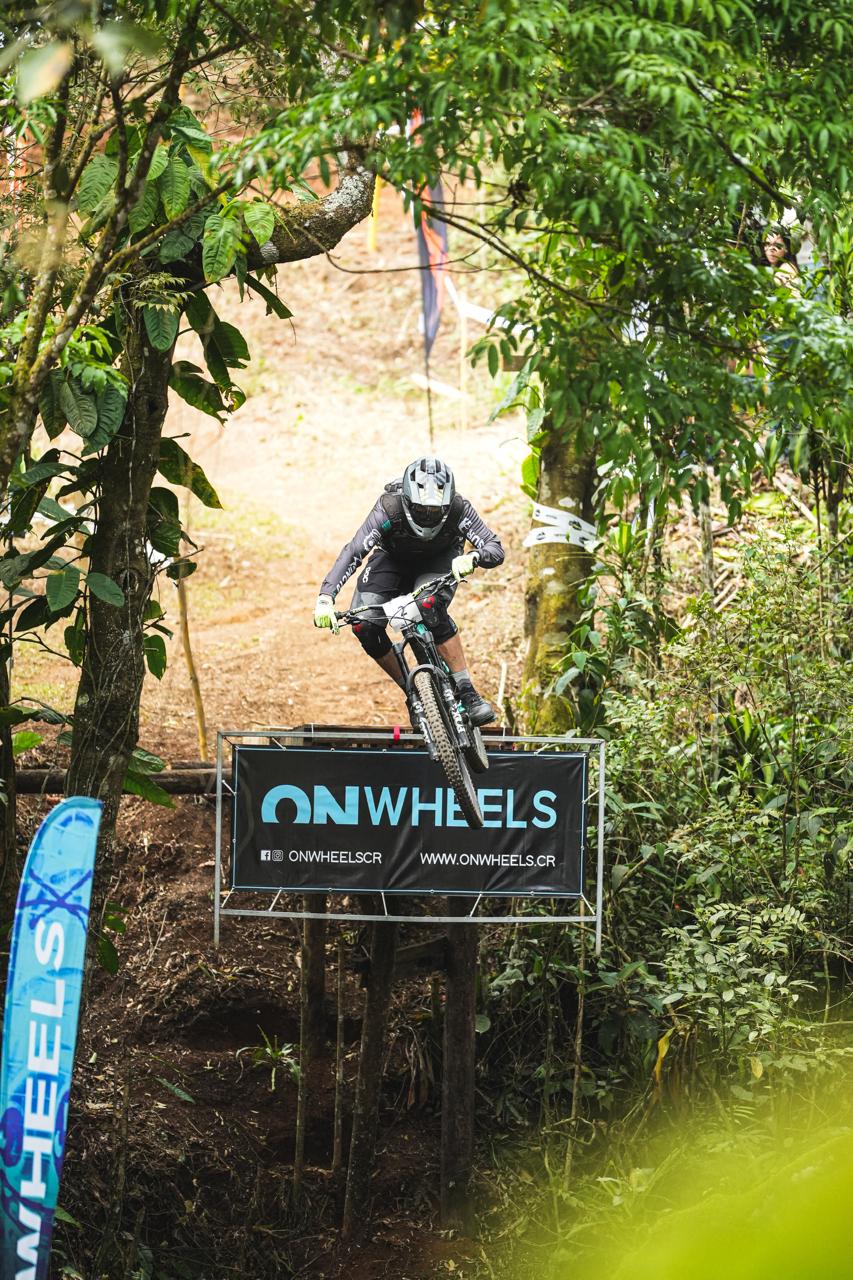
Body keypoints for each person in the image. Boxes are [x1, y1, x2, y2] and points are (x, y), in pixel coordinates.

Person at [313, 456, 504, 726]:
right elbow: (354, 551)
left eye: (435, 511)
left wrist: (473, 558)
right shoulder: (388, 507)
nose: (427, 516)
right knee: (363, 625)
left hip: (439, 560)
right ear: (406, 500)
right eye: (420, 509)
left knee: (428, 604)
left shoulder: (459, 508)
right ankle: (413, 692)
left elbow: (494, 548)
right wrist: (325, 598)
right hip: (392, 559)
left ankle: (467, 692)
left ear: (448, 504)